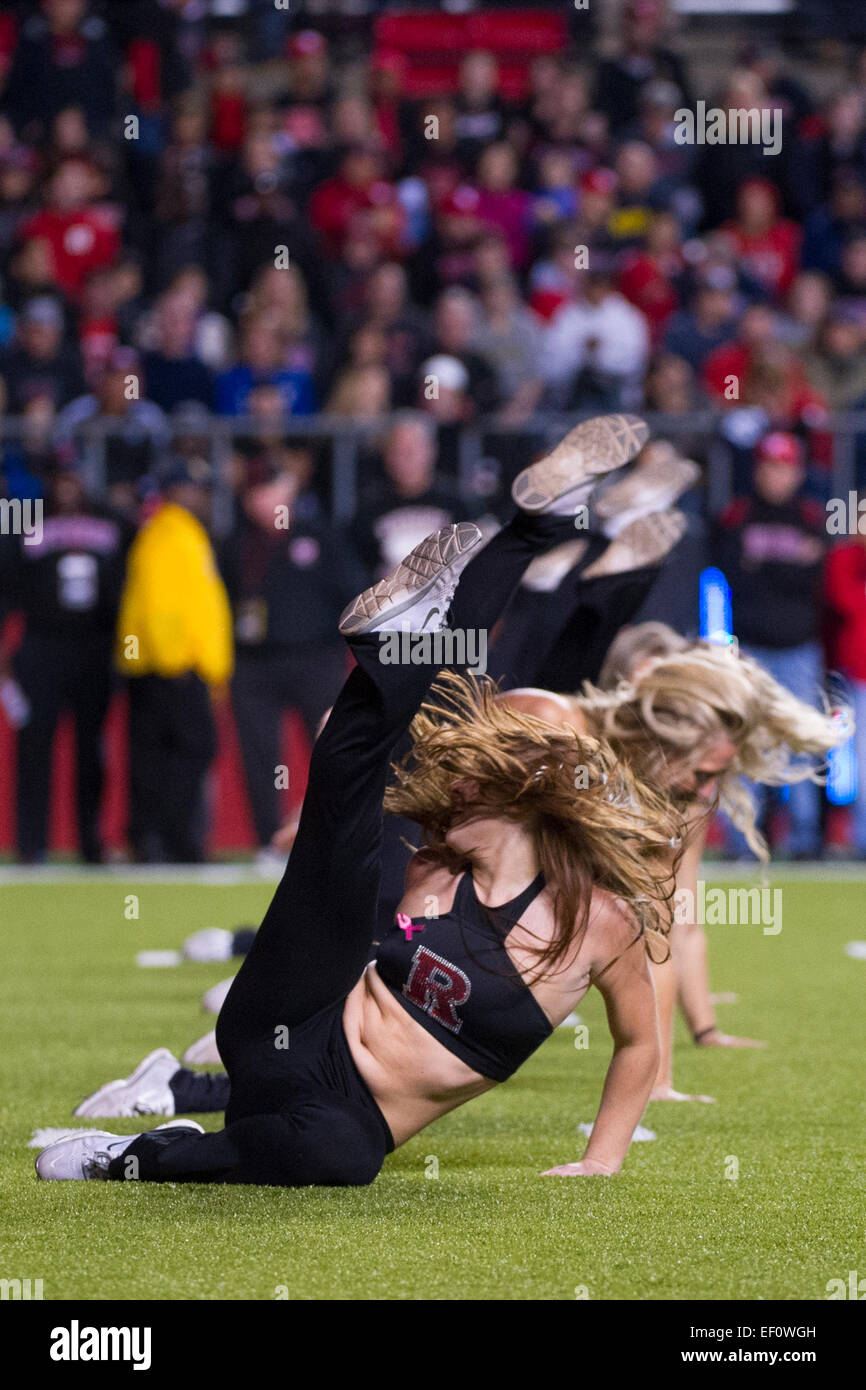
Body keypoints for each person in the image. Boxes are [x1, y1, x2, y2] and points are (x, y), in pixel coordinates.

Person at [39, 413, 681, 1184]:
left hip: (331, 1119)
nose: (458, 786)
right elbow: (411, 752)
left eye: (484, 780)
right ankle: (418, 624)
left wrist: (600, 1161)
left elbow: (640, 1041)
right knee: (363, 783)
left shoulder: (599, 920)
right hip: (288, 1027)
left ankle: (148, 1147)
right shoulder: (443, 865)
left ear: (529, 805)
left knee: (345, 1162)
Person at [0, 457, 131, 863]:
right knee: (34, 745)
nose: (69, 489)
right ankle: (30, 845)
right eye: (62, 480)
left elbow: (125, 582)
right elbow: (6, 583)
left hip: (93, 647)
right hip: (42, 645)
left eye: (75, 479)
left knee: (91, 750)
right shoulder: (25, 520)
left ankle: (91, 843)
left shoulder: (110, 523)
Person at [713, 431, 828, 858]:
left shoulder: (811, 515)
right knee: (744, 741)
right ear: (758, 468)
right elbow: (732, 577)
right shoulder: (738, 515)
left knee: (799, 742)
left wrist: (766, 568)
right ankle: (741, 839)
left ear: (796, 471)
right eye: (770, 466)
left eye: (785, 467)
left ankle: (804, 839)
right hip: (749, 649)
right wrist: (789, 567)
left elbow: (814, 580)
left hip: (799, 647)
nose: (777, 475)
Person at [116, 458, 232, 863]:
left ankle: (157, 842)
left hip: (173, 668)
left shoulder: (180, 532)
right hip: (171, 669)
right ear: (176, 492)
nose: (202, 497)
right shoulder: (168, 532)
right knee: (183, 755)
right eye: (194, 489)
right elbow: (158, 606)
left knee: (162, 757)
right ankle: (172, 842)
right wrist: (175, 663)